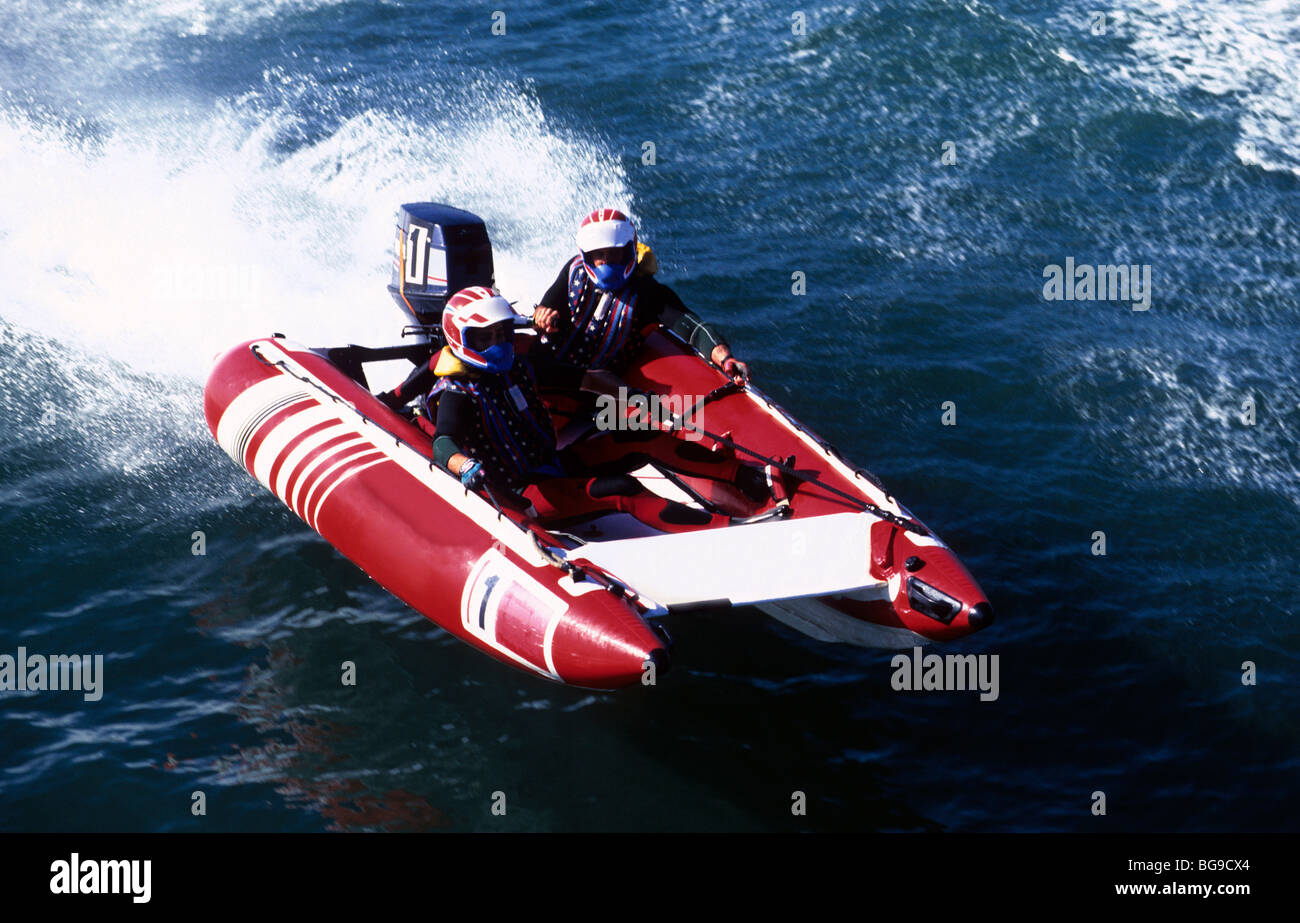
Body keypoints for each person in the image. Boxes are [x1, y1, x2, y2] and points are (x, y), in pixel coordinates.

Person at [378, 286, 788, 533]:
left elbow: (588, 379)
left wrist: (638, 400)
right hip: (525, 494)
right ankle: (727, 531)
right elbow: (445, 441)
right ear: (462, 340)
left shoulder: (520, 365)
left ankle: (746, 478)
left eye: (503, 333)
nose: (500, 344)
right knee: (622, 490)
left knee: (643, 436)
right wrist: (461, 464)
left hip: (551, 462)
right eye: (486, 338)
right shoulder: (457, 393)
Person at [531, 209, 750, 380]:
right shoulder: (575, 270)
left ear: (629, 250)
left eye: (614, 254)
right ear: (586, 255)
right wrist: (543, 317)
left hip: (599, 387)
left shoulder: (647, 293)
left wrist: (726, 358)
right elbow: (547, 305)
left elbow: (694, 328)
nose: (606, 262)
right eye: (599, 255)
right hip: (551, 365)